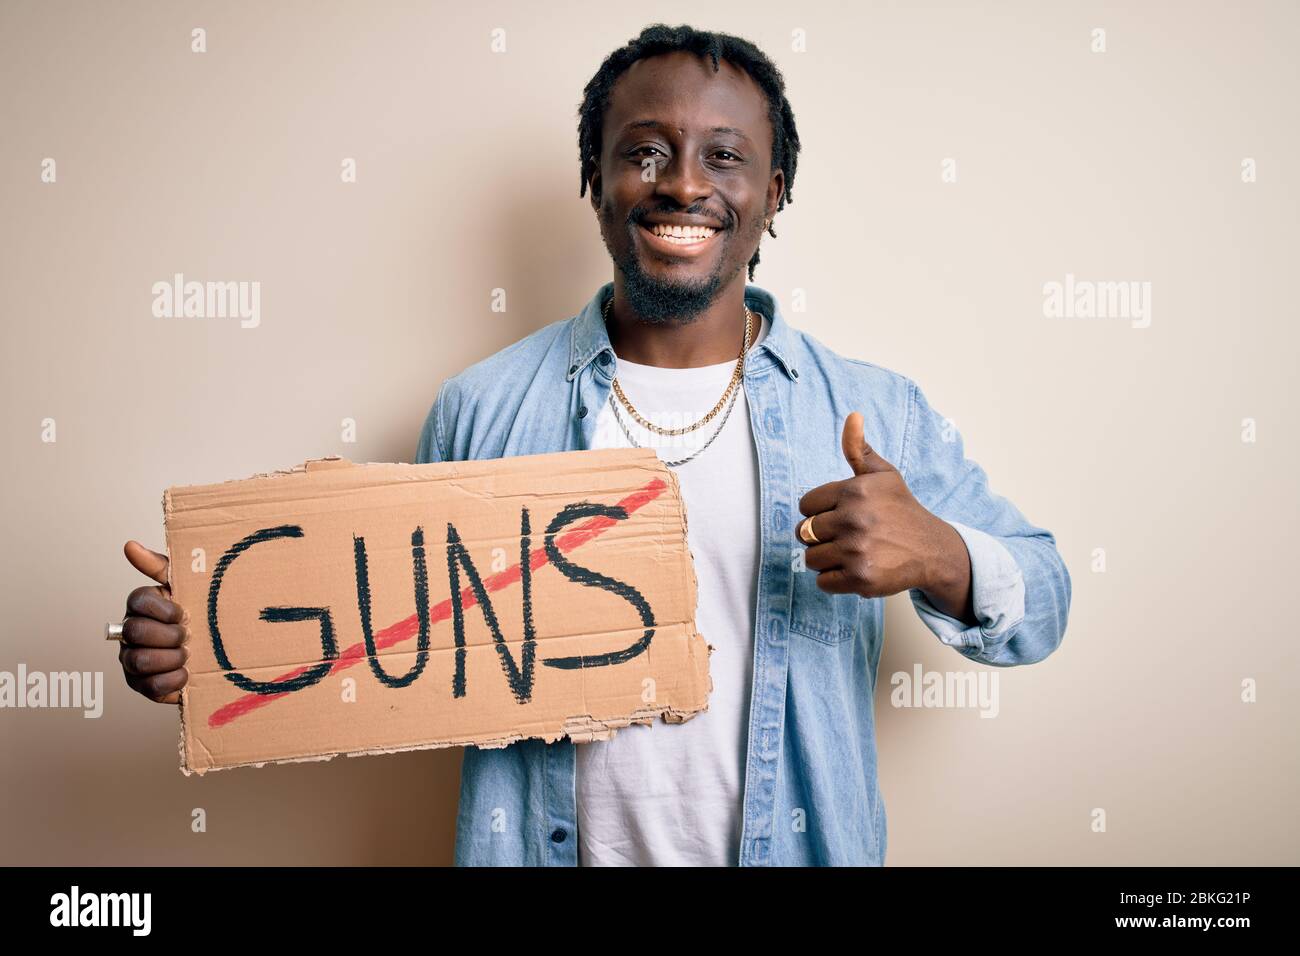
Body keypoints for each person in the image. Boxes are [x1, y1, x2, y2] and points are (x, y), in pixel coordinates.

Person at [116, 23, 1071, 866]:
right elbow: (405, 645)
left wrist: (943, 555)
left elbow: (1045, 601)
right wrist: (230, 647)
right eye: (645, 150)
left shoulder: (871, 410)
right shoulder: (479, 410)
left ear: (773, 192)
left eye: (725, 156)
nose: (685, 182)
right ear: (597, 181)